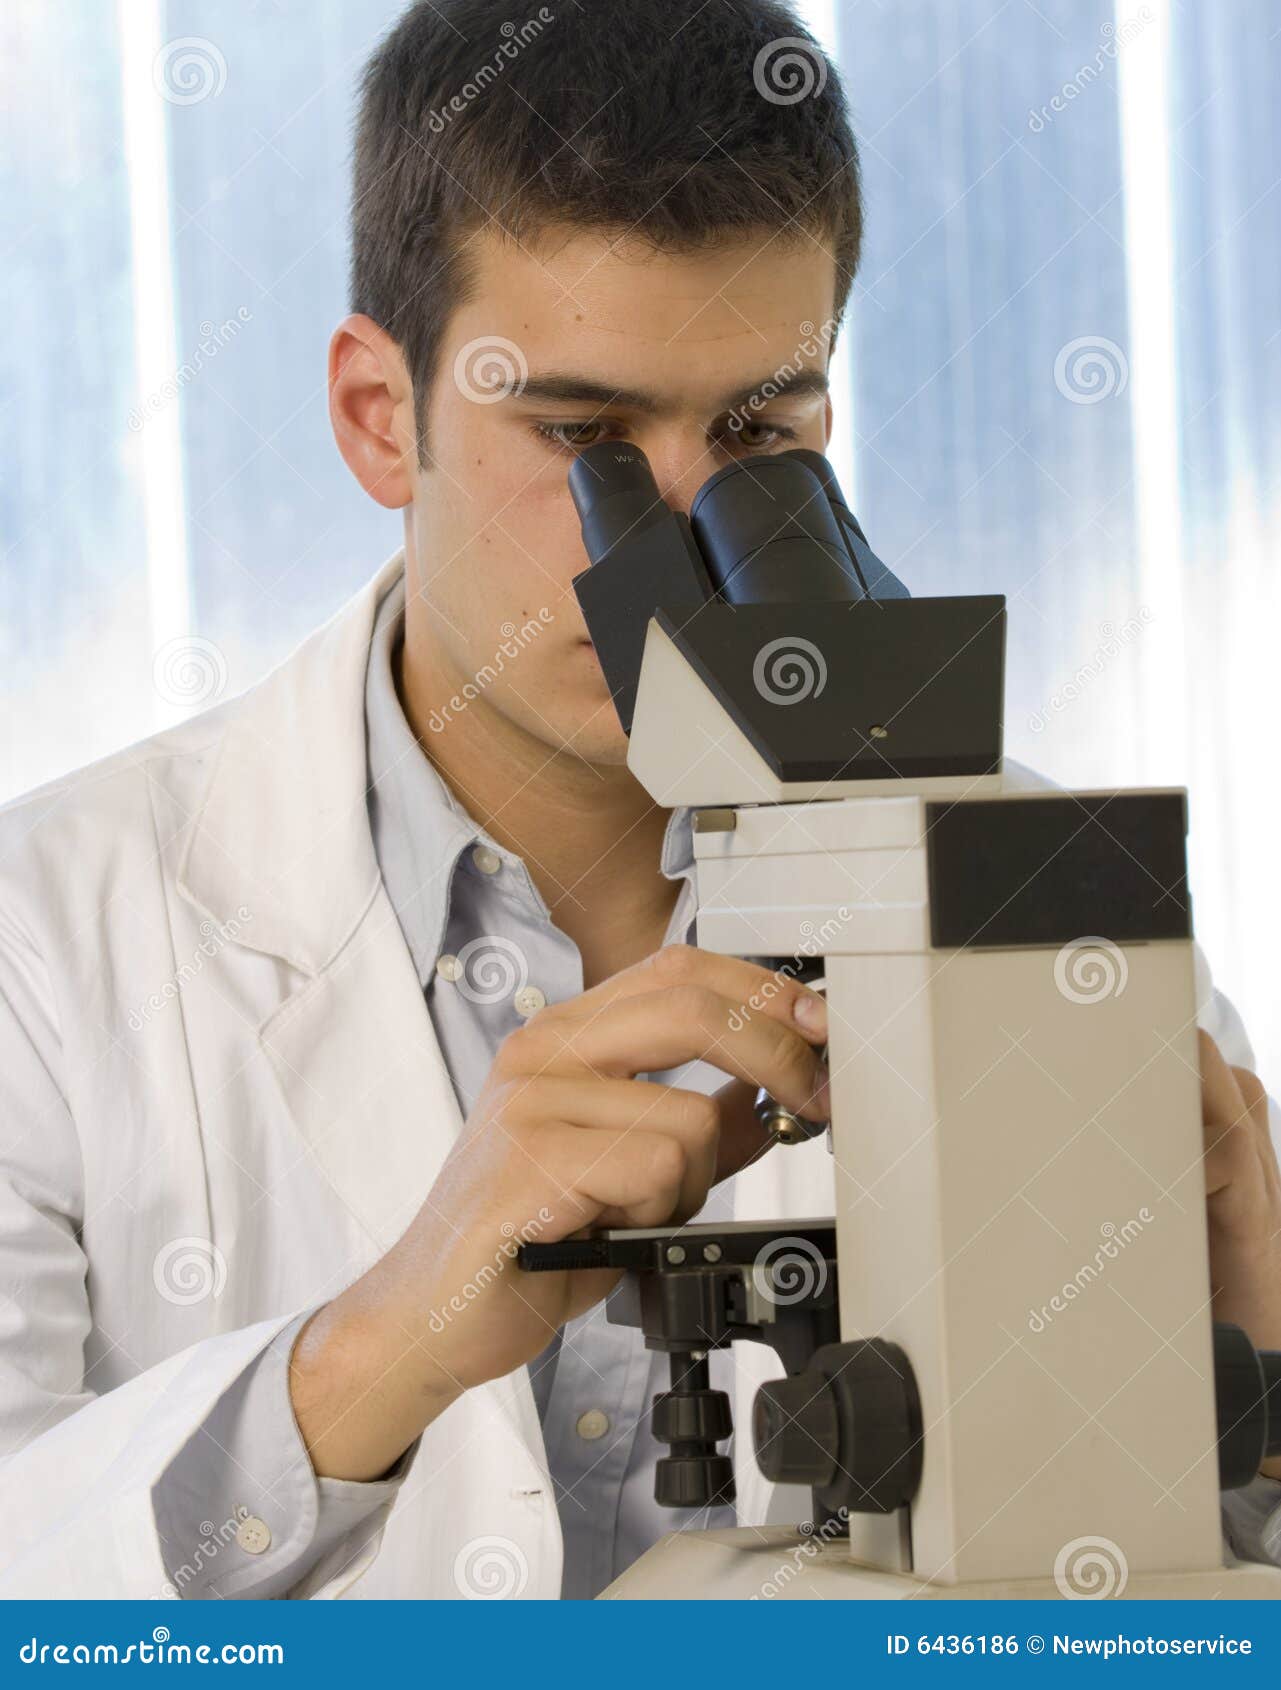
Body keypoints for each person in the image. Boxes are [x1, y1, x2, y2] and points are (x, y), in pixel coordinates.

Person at [1, 0, 1279, 1601]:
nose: (657, 557)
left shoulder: (1025, 888)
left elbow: (1183, 1595)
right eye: (584, 437)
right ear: (379, 416)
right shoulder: (45, 947)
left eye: (756, 435)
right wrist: (374, 1351)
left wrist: (1258, 1389)